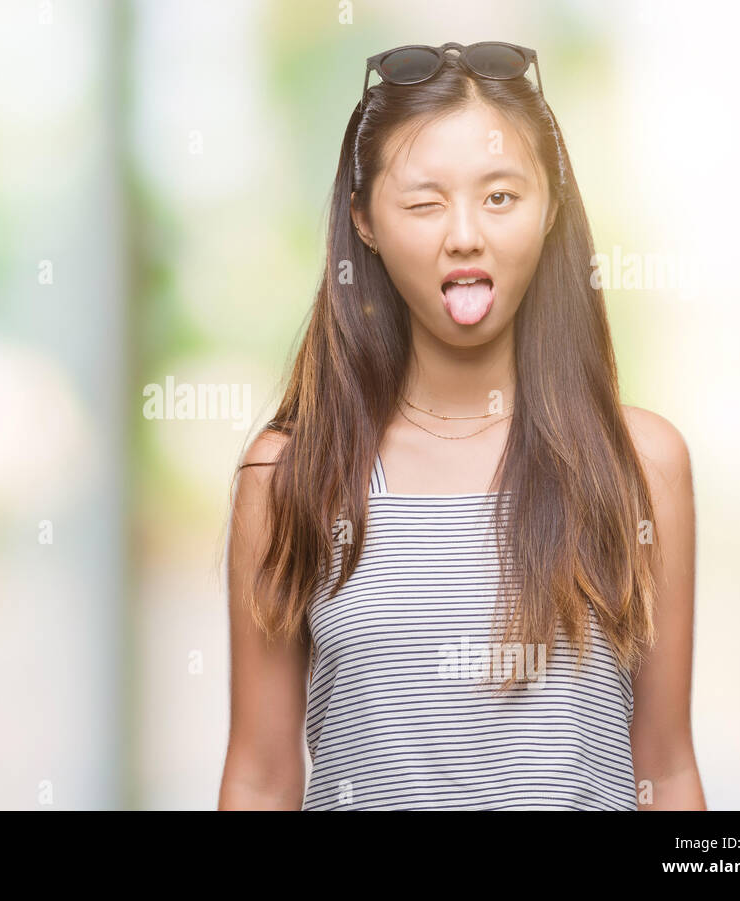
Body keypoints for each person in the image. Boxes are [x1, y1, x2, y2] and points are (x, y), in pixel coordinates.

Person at [218, 42, 703, 810]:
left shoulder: (641, 463)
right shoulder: (288, 478)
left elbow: (667, 770)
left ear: (551, 209)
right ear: (364, 220)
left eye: (501, 197)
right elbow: (261, 777)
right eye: (424, 201)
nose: (465, 234)